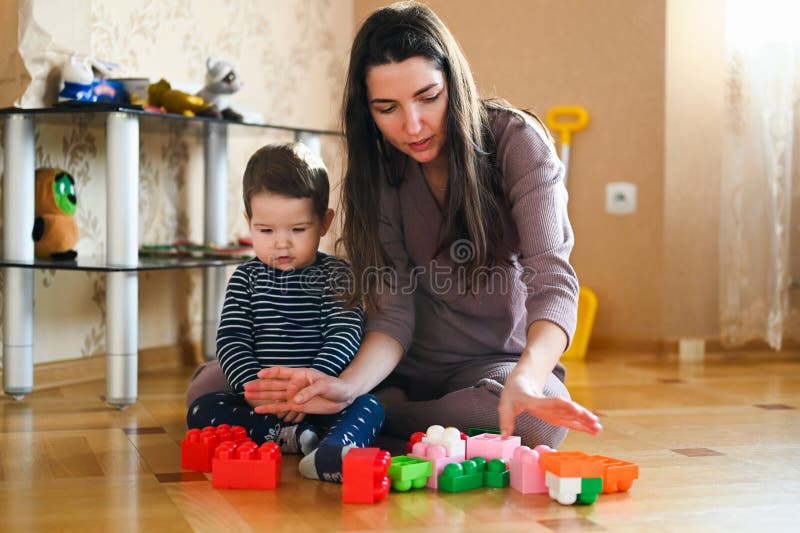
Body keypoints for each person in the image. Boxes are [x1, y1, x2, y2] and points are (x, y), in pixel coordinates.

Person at [188, 0, 601, 449]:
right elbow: (393, 311)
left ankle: (378, 415)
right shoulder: (379, 168)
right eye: (387, 108)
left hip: (488, 366)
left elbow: (554, 281)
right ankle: (363, 409)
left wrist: (528, 375)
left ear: (454, 84)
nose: (413, 125)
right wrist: (347, 384)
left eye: (428, 97)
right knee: (205, 388)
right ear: (368, 111)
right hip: (392, 362)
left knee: (539, 423)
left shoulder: (517, 143)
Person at [185, 143, 383, 483]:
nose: (281, 243)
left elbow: (345, 333)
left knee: (371, 407)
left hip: (320, 397)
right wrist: (251, 387)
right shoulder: (245, 279)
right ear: (248, 222)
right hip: (261, 401)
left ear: (324, 222)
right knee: (202, 408)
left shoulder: (336, 275)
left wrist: (311, 387)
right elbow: (232, 339)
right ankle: (282, 436)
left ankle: (333, 449)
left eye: (297, 230)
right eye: (266, 230)